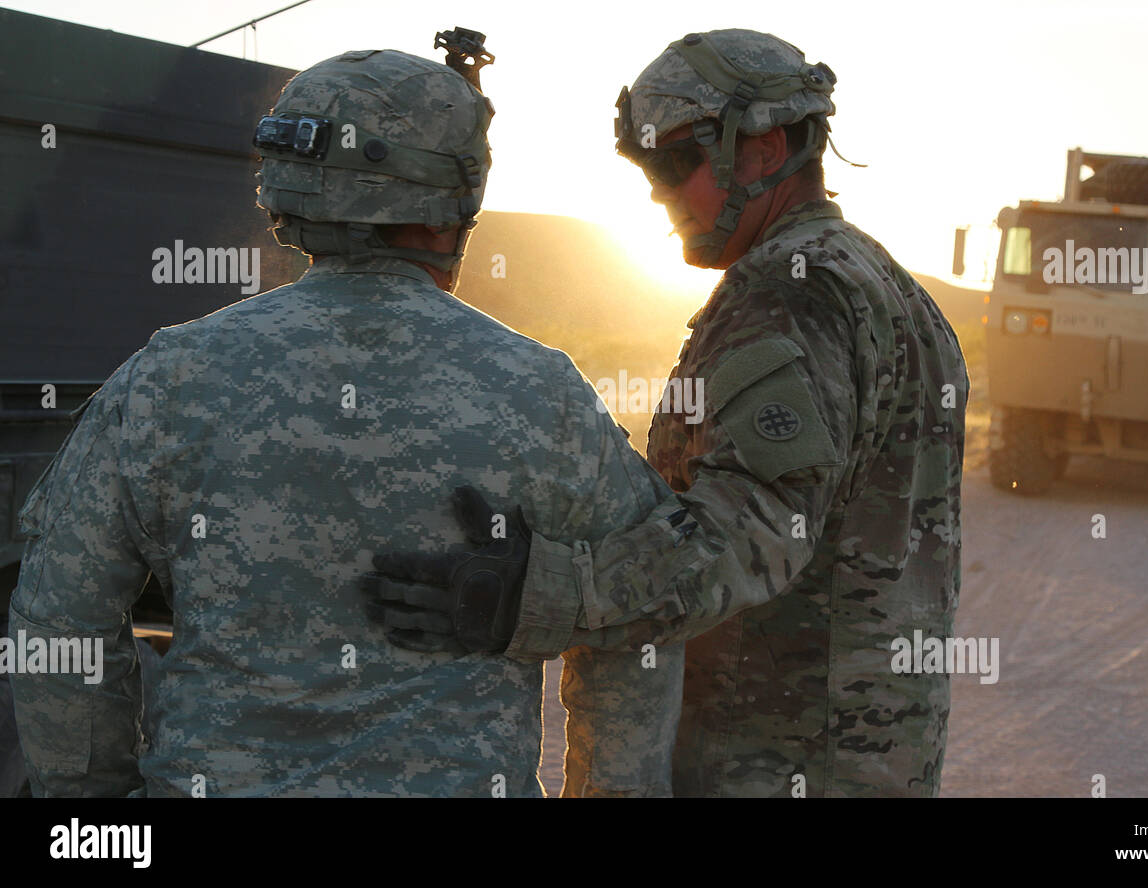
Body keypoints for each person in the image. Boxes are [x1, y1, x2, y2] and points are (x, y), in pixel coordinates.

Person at [7, 47, 682, 797]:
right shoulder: (541, 390)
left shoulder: (166, 377)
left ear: (285, 196)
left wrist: (97, 805)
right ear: (458, 198)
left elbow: (56, 619)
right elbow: (644, 610)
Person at [367, 29, 970, 798]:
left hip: (771, 760)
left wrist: (539, 593)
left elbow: (754, 533)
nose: (658, 189)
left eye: (675, 160)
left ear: (766, 148)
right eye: (645, 166)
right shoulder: (889, 288)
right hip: (868, 757)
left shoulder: (789, 291)